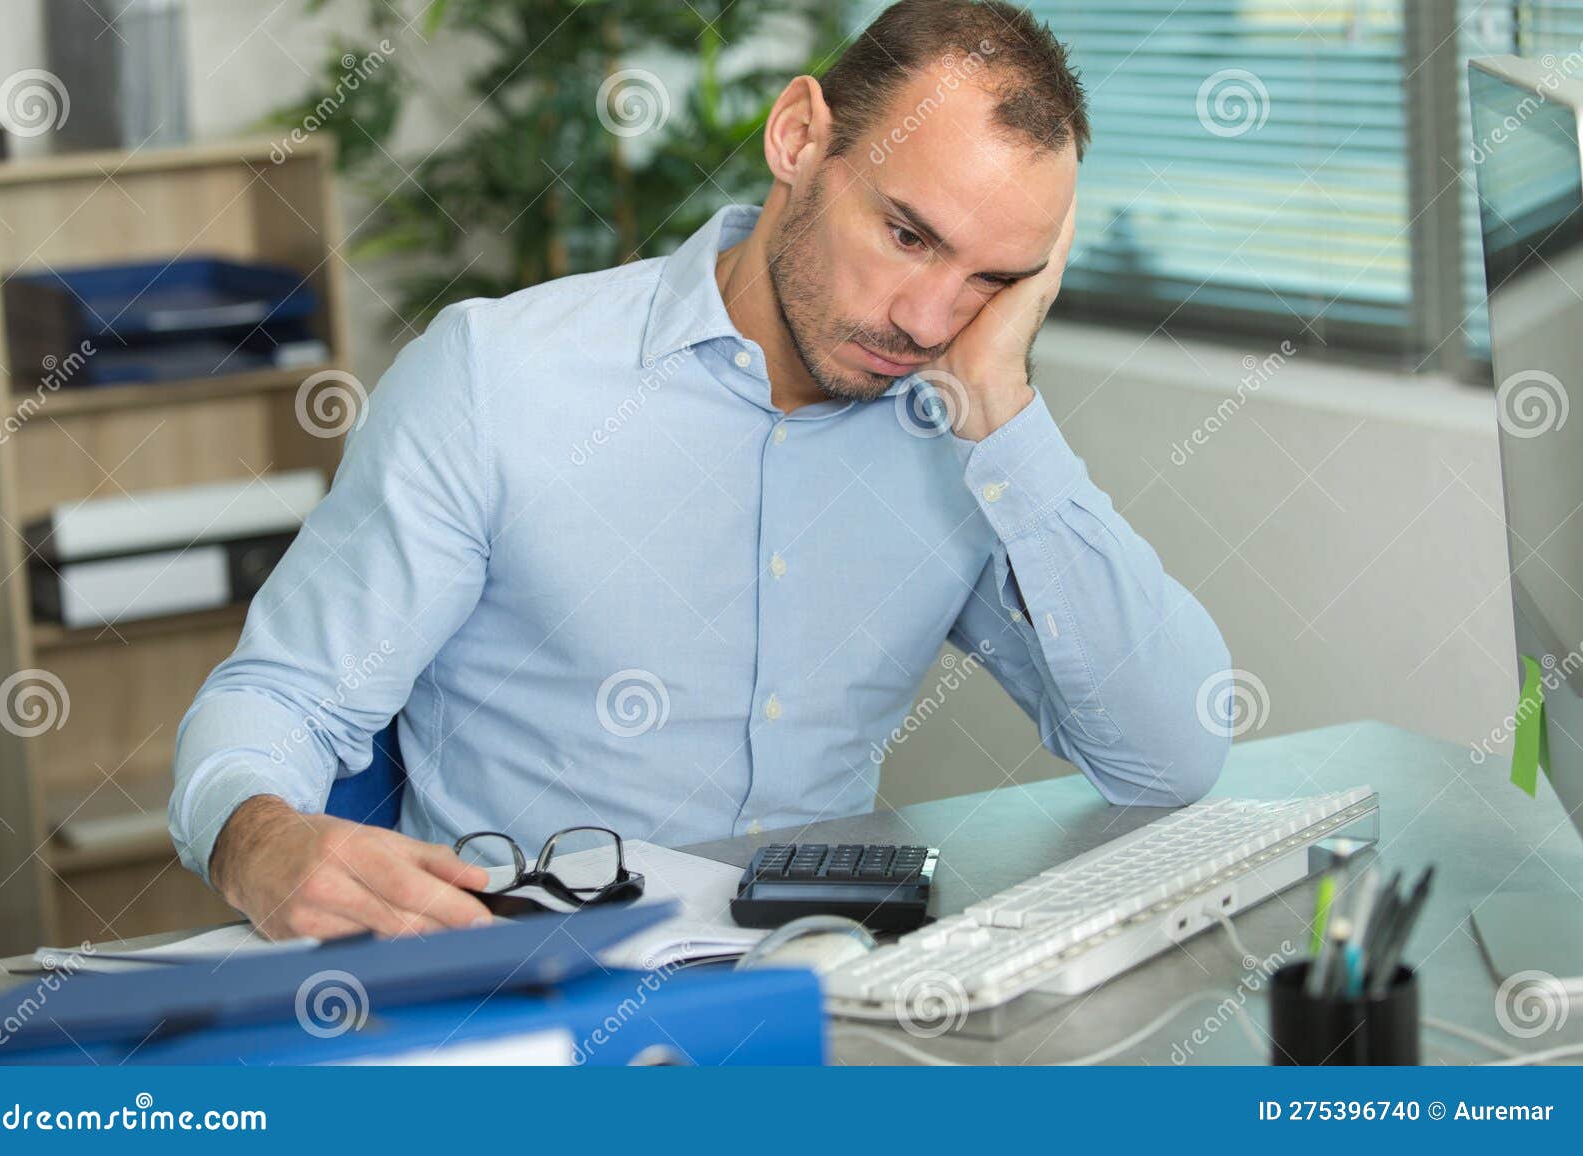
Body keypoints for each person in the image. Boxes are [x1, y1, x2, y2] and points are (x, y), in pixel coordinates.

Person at [171, 0, 1231, 940]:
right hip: (532, 1013)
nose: (927, 319)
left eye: (989, 281)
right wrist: (260, 842)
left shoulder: (964, 432)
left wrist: (1004, 410)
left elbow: (1166, 759)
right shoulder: (498, 377)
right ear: (799, 136)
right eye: (908, 236)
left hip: (822, 1014)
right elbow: (286, 698)